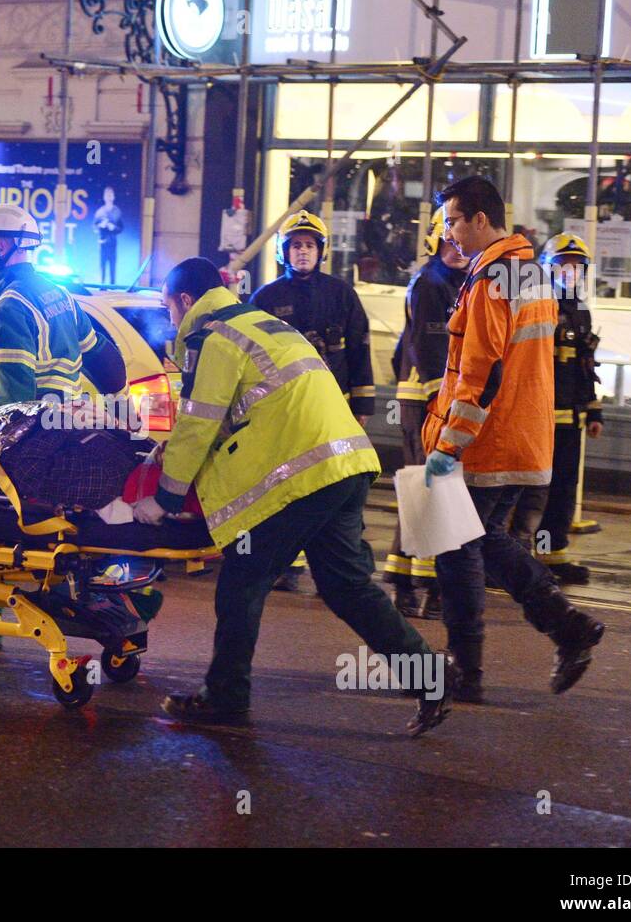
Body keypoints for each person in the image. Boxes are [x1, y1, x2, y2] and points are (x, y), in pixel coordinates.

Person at [132, 257, 452, 736]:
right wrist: (172, 449)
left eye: (169, 308)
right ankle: (431, 679)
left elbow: (200, 424)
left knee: (242, 582)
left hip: (301, 477)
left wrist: (164, 500)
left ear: (184, 301)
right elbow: (242, 412)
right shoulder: (261, 324)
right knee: (347, 587)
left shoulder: (216, 337)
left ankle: (225, 697)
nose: (170, 319)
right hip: (344, 465)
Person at [422, 177, 604, 704]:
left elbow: (482, 371)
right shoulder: (530, 274)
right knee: (483, 540)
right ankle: (562, 626)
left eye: (453, 222)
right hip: (522, 437)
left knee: (457, 548)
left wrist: (447, 446)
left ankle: (470, 670)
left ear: (481, 219)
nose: (448, 234)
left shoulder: (490, 281)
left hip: (486, 443)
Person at [0, 202, 125, 649]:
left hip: (31, 439)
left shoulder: (9, 306)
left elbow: (12, 400)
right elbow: (110, 368)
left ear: (3, 246)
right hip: (63, 434)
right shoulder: (59, 296)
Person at [252, 211, 375, 592]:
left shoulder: (341, 294)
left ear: (321, 251)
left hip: (334, 414)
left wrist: (363, 408)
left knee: (334, 487)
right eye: (295, 245)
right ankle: (286, 564)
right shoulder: (266, 299)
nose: (303, 252)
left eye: (309, 245)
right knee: (287, 487)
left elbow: (360, 350)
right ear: (283, 252)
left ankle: (338, 563)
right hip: (286, 413)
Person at [383, 215, 467, 617]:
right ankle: (422, 584)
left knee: (431, 492)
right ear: (435, 243)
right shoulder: (431, 284)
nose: (456, 251)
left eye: (460, 244)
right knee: (430, 491)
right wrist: (445, 400)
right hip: (426, 401)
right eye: (448, 244)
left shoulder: (455, 282)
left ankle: (409, 581)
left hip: (433, 400)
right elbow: (428, 347)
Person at [509, 234, 604, 585]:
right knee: (529, 489)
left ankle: (551, 555)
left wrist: (593, 412)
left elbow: (586, 365)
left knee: (563, 488)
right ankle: (515, 556)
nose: (570, 272)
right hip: (535, 416)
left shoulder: (580, 311)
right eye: (563, 265)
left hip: (570, 418)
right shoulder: (531, 303)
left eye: (577, 267)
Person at [93, 186, 123, 284]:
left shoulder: (117, 212)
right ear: (104, 197)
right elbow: (94, 227)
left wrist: (113, 227)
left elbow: (121, 228)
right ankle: (101, 287)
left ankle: (113, 287)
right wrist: (101, 225)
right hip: (102, 243)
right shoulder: (100, 212)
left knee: (112, 267)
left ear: (113, 197)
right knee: (102, 266)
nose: (109, 197)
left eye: (111, 195)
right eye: (107, 195)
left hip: (113, 243)